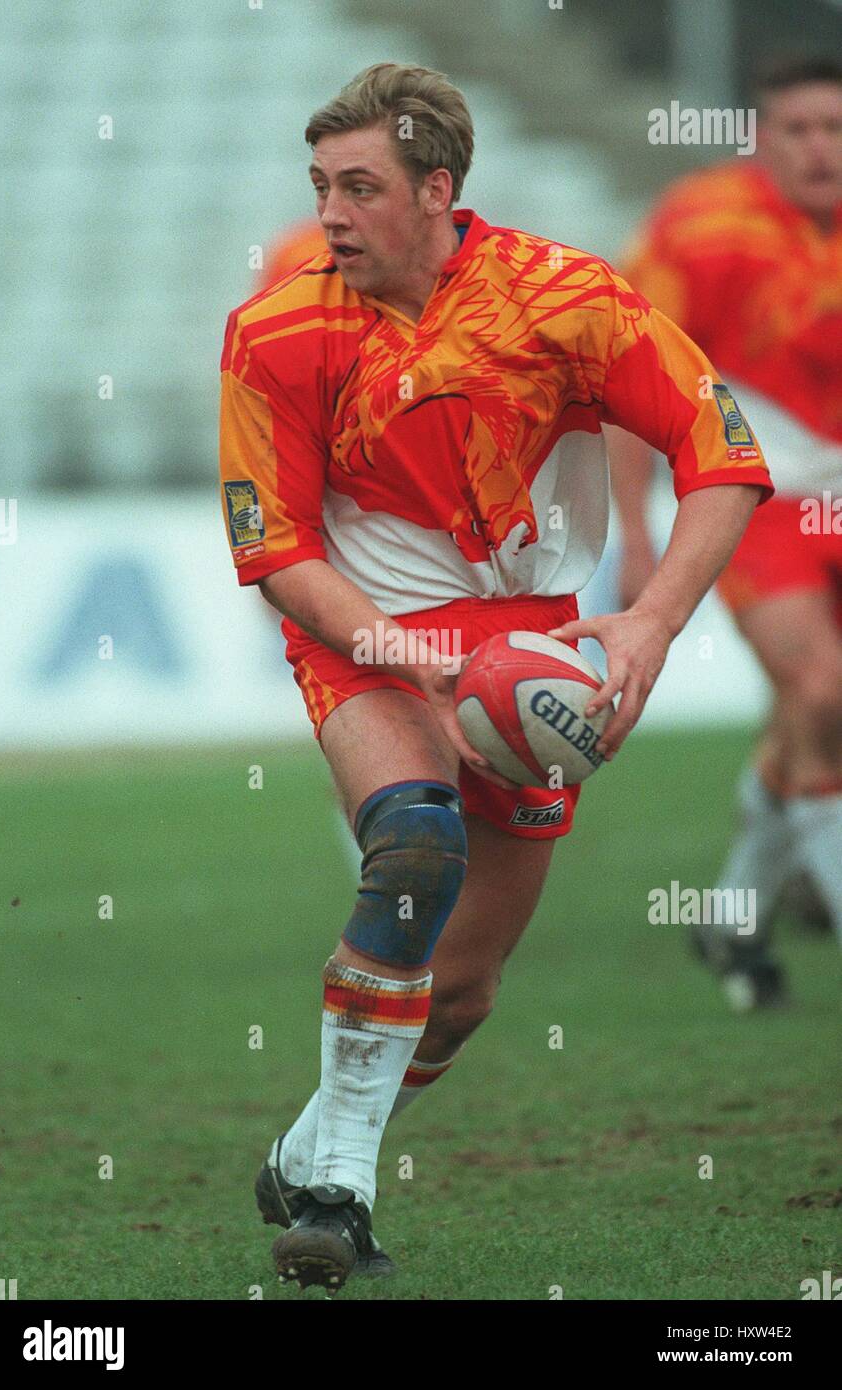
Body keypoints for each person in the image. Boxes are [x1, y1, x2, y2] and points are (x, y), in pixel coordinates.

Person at [219, 62, 772, 1294]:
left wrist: (645, 629)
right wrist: (414, 654)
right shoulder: (276, 327)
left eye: (359, 188)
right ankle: (339, 1199)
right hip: (361, 632)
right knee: (413, 846)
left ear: (438, 188)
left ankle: (311, 1147)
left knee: (458, 992)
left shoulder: (566, 297)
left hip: (533, 650)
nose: (332, 214)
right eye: (319, 187)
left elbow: (722, 453)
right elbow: (276, 553)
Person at [608, 56, 842, 1010]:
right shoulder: (700, 229)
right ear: (759, 137)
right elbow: (628, 381)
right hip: (758, 503)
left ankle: (733, 920)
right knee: (823, 694)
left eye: (835, 127)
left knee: (807, 724)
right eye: (798, 129)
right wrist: (633, 528)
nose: (820, 148)